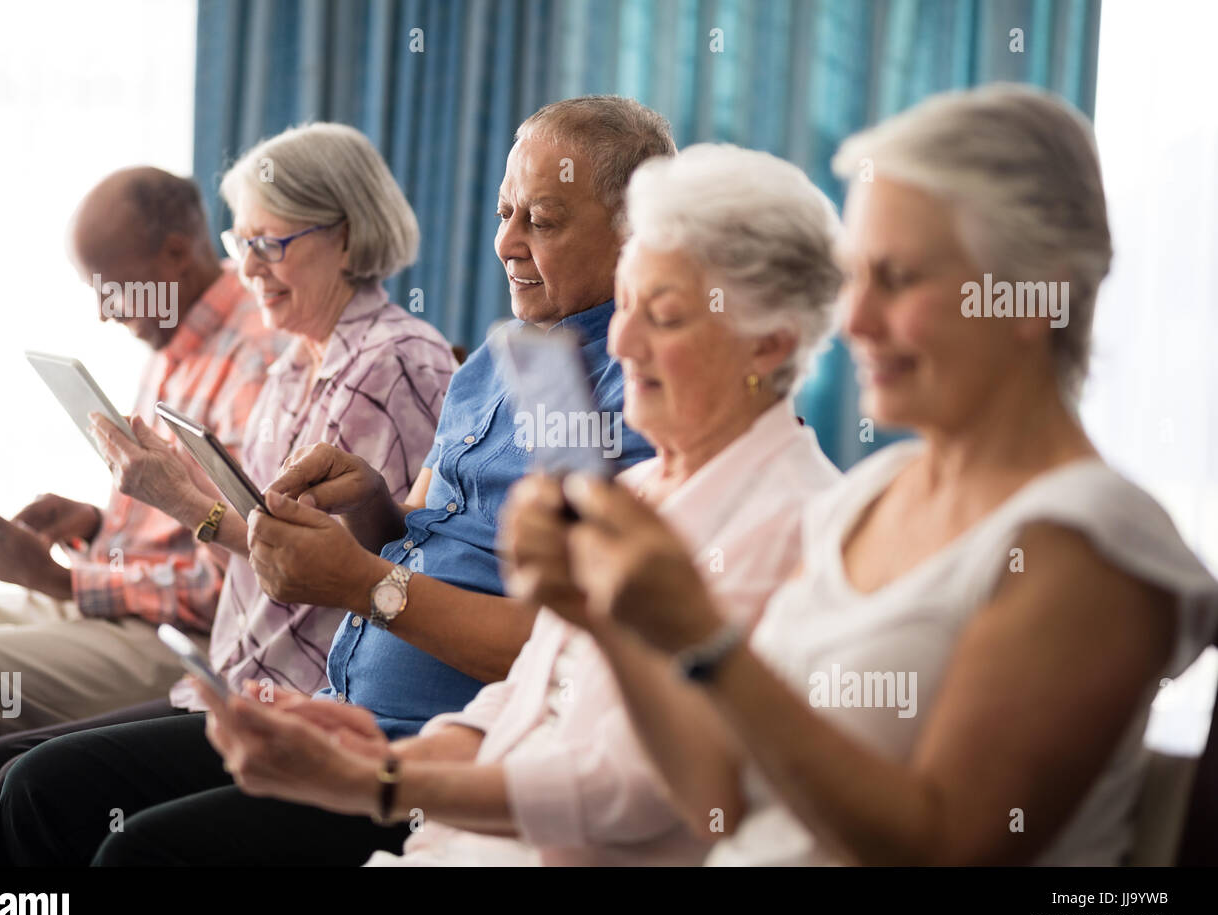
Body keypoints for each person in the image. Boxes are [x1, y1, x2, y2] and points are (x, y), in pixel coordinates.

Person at [508, 84, 1218, 866]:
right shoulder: (871, 495)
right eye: (856, 278)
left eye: (900, 278)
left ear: (1029, 297)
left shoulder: (1088, 542)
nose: (852, 321)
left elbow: (945, 848)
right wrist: (613, 620)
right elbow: (720, 803)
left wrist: (707, 641)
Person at [0, 95, 668, 866]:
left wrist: (356, 582)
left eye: (541, 221)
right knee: (32, 785)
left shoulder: (639, 398)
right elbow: (414, 536)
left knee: (129, 848)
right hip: (338, 707)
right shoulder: (495, 362)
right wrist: (373, 500)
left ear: (635, 231)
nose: (506, 242)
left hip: (423, 751)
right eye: (505, 212)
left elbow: (563, 651)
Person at [193, 143, 845, 866]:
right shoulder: (633, 487)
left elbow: (643, 792)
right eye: (627, 306)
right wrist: (414, 752)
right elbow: (531, 682)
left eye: (661, 316)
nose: (621, 341)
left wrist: (382, 781)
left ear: (768, 347)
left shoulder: (796, 527)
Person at [0, 124, 456, 865]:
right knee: (5, 773)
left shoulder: (398, 361)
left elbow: (346, 576)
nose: (245, 268)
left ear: (347, 238)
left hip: (311, 698)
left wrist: (186, 503)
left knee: (31, 786)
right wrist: (152, 508)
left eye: (270, 244)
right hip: (238, 677)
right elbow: (254, 553)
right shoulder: (294, 365)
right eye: (240, 240)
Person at [0, 167, 286, 866]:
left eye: (110, 286)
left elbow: (244, 574)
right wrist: (94, 526)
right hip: (111, 597)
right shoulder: (177, 340)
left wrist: (65, 585)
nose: (104, 311)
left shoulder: (256, 362)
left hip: (176, 635)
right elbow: (180, 518)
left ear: (177, 254)